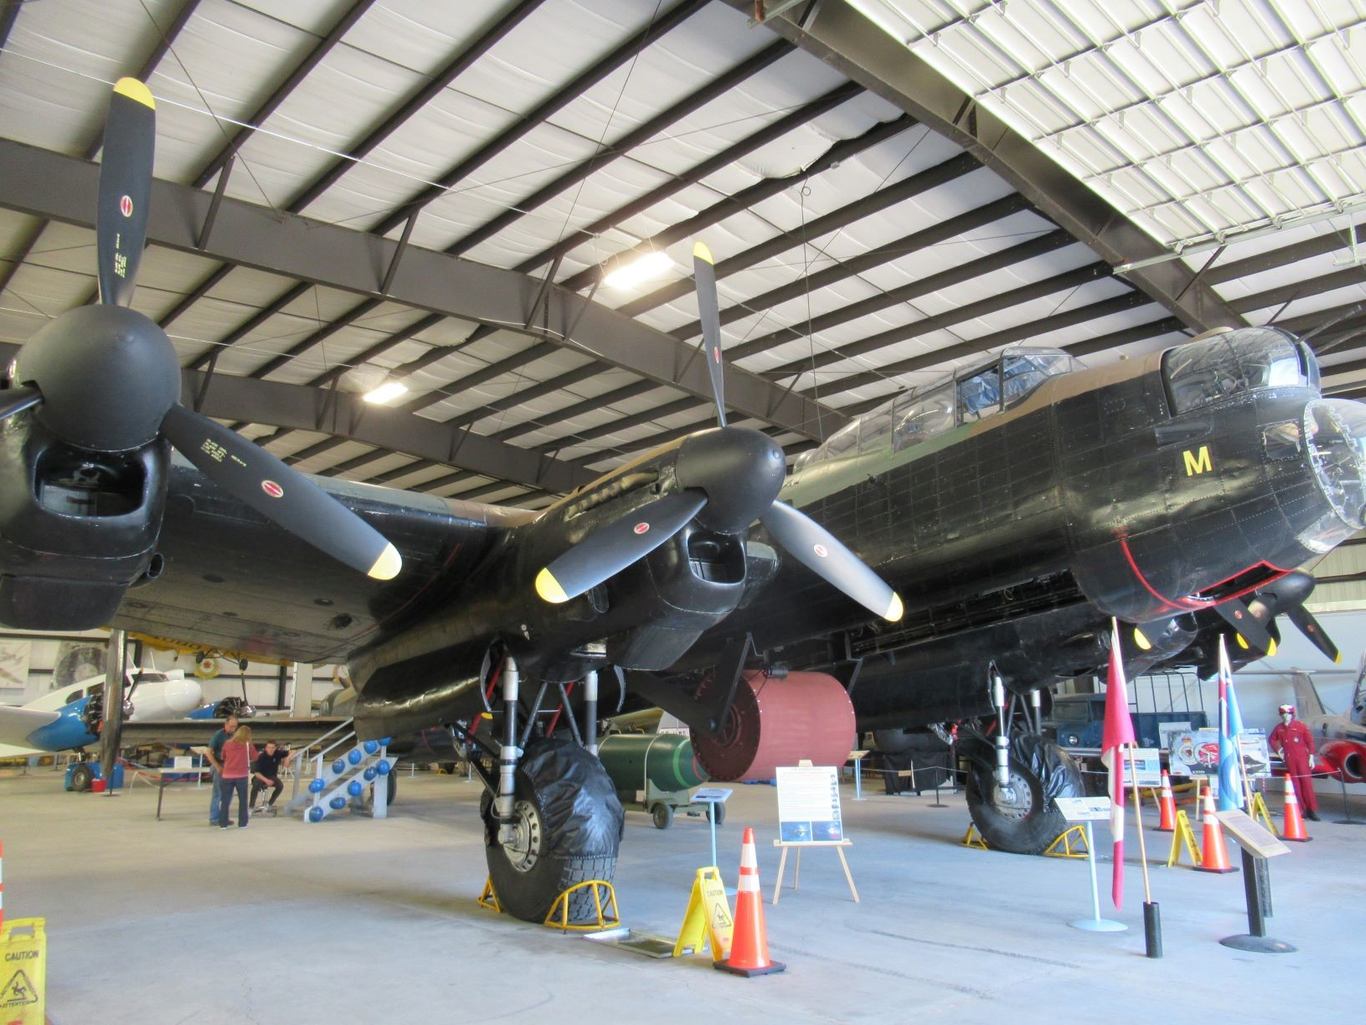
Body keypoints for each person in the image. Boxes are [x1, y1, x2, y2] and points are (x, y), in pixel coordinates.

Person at [1269, 703, 1320, 821]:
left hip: (1302, 758)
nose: (1285, 716)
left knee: (1306, 783)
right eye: (1283, 714)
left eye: (1288, 714)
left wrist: (1311, 756)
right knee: (1295, 784)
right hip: (1290, 759)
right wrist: (1279, 751)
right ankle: (1301, 810)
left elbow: (1309, 741)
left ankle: (1311, 810)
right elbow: (1272, 740)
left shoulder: (1300, 726)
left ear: (1292, 714)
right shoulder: (1279, 728)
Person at [217, 725, 258, 828]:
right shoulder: (248, 745)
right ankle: (242, 823)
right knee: (243, 800)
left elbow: (223, 756)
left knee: (225, 800)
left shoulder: (227, 743)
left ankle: (223, 823)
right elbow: (255, 757)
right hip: (241, 776)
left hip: (227, 775)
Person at [205, 713, 240, 825]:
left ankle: (223, 816)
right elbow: (208, 752)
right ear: (225, 724)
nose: (233, 729)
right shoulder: (219, 735)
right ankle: (214, 818)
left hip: (231, 768)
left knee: (228, 794)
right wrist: (217, 766)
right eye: (231, 726)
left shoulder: (235, 736)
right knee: (218, 793)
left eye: (235, 727)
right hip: (220, 766)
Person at [251, 740, 292, 814]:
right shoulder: (260, 756)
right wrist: (266, 780)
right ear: (265, 748)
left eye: (272, 748)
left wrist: (288, 758)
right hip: (260, 776)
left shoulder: (277, 753)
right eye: (269, 747)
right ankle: (251, 806)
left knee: (280, 785)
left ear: (275, 748)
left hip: (272, 776)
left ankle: (269, 804)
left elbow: (292, 751)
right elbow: (256, 773)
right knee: (256, 784)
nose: (271, 749)